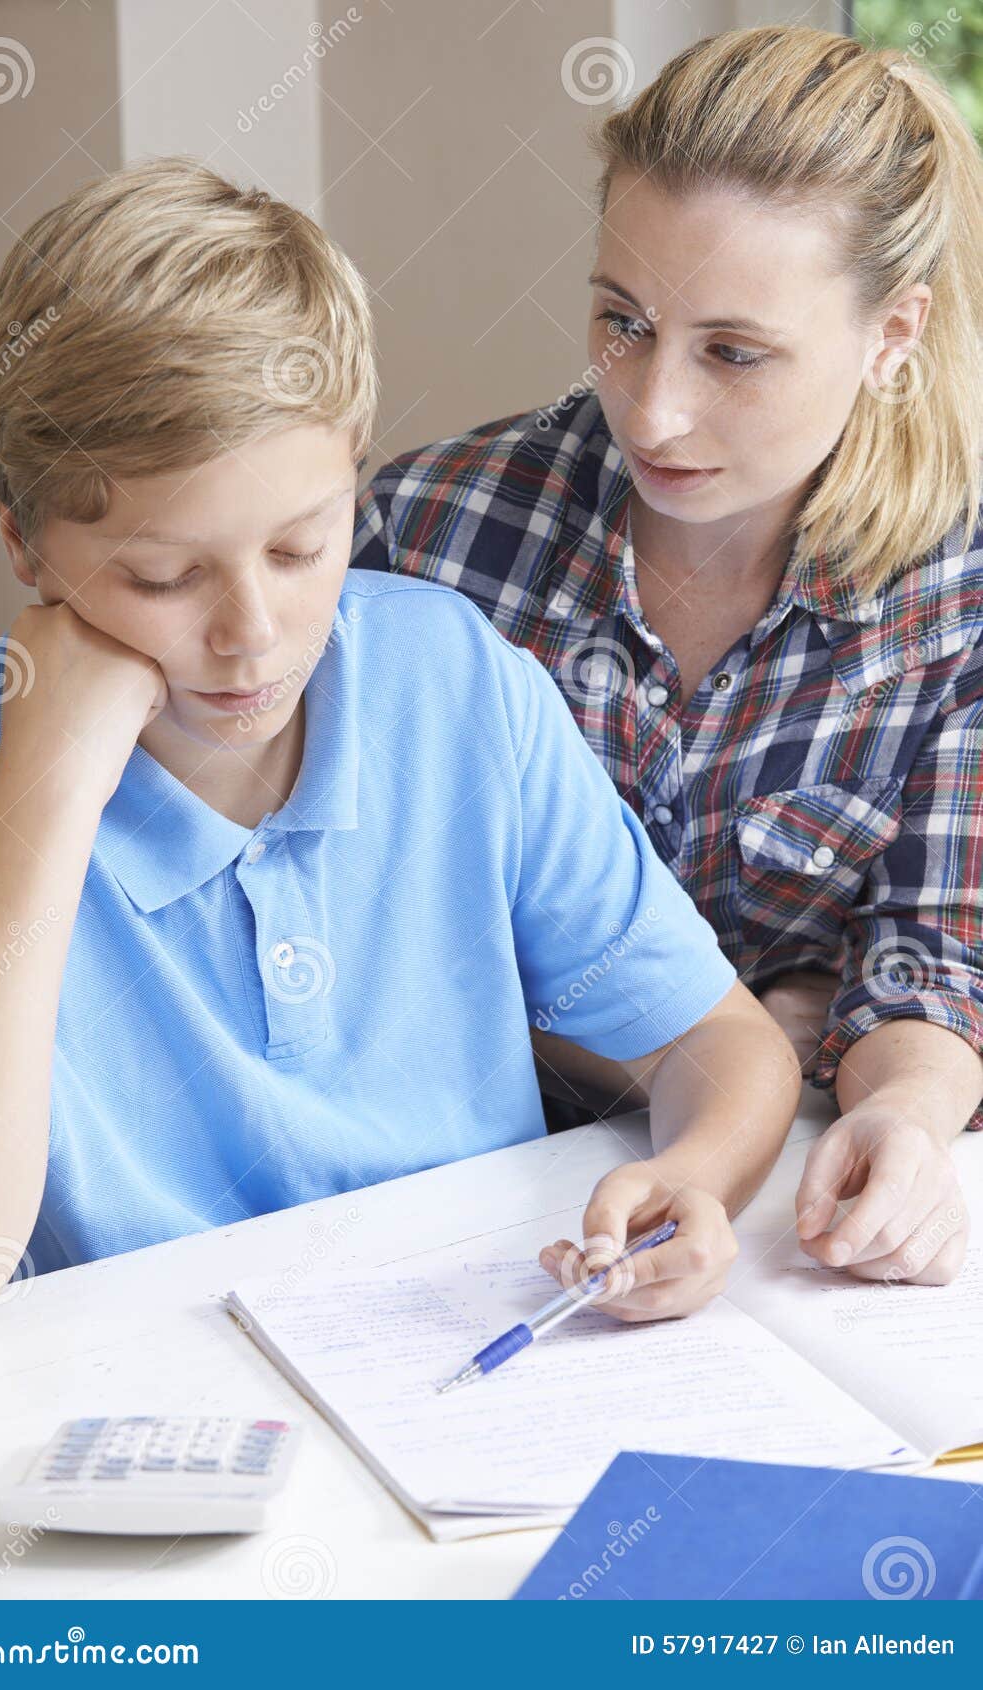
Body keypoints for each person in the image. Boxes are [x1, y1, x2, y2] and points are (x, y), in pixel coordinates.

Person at [0, 158, 799, 1359]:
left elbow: (719, 1044)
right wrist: (52, 790)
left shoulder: (450, 682)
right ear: (25, 545)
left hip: (476, 1365)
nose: (253, 634)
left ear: (354, 473)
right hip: (151, 1417)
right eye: (163, 578)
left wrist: (696, 1174)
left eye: (299, 546)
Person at [352, 25, 983, 1288]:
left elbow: (930, 953)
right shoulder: (422, 540)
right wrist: (775, 1018)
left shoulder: (954, 602)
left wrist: (906, 1113)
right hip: (448, 1209)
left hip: (772, 1217)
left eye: (734, 353)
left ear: (891, 336)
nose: (652, 411)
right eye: (622, 322)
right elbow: (366, 953)